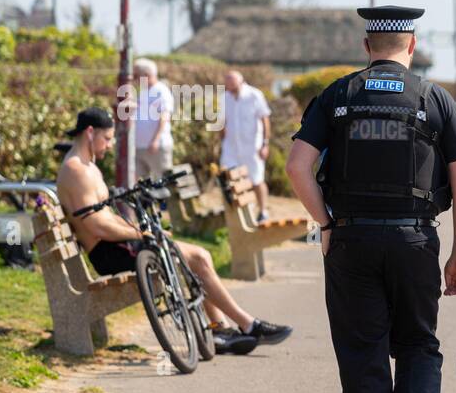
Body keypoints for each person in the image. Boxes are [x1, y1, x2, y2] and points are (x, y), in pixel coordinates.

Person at [285, 5, 456, 393]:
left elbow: (297, 165)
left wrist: (325, 224)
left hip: (351, 244)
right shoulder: (434, 99)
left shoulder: (338, 95)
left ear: (367, 47)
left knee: (363, 359)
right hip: (415, 241)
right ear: (410, 47)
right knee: (418, 345)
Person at [56, 107, 293, 355]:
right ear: (90, 133)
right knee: (199, 257)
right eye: (107, 138)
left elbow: (105, 218)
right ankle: (248, 325)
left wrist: (140, 230)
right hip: (110, 252)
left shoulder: (88, 167)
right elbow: (96, 225)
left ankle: (218, 328)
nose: (110, 145)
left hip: (117, 244)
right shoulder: (76, 170)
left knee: (201, 255)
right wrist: (141, 234)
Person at [219, 69, 272, 223]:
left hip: (252, 147)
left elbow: (265, 119)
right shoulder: (224, 97)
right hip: (231, 147)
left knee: (256, 180)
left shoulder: (254, 95)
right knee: (229, 179)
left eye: (232, 83)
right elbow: (222, 122)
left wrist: (265, 144)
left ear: (240, 81)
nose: (229, 86)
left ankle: (263, 211)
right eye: (227, 83)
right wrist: (221, 142)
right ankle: (238, 214)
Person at [130, 58, 173, 181]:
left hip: (156, 147)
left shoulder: (161, 91)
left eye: (136, 75)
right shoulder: (143, 92)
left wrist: (155, 140)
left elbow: (164, 117)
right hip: (140, 146)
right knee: (135, 183)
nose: (134, 79)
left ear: (147, 75)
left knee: (162, 182)